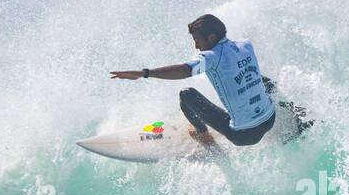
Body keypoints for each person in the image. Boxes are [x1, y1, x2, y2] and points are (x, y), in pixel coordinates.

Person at [110, 14, 276, 146]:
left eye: (197, 41)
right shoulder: (245, 44)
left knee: (186, 95)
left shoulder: (211, 56)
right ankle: (291, 111)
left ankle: (202, 134)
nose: (196, 46)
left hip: (243, 135)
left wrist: (144, 73)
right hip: (270, 119)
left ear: (211, 38)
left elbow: (184, 70)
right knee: (260, 79)